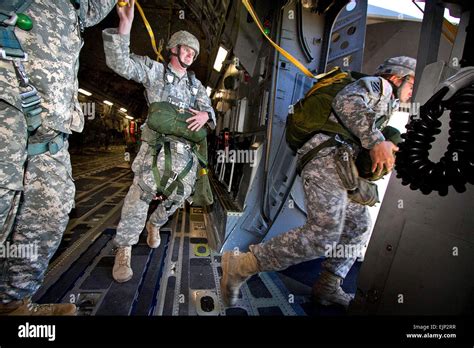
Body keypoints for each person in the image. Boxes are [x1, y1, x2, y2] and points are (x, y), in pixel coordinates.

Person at [220, 56, 416, 308]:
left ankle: (327, 286)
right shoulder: (381, 86)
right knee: (323, 234)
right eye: (412, 83)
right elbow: (346, 100)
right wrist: (376, 141)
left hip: (341, 164)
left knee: (358, 226)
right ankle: (240, 265)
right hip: (328, 157)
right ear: (398, 77)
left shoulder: (386, 101)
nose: (412, 92)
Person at [0, 1, 117, 315]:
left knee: (46, 216)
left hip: (52, 131)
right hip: (7, 107)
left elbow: (93, 8)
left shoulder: (73, 5)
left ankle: (13, 305)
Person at [102, 0, 215, 283]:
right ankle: (124, 249)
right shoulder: (154, 72)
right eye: (185, 50)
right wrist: (124, 30)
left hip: (183, 156)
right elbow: (120, 63)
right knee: (140, 194)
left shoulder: (195, 86)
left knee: (180, 195)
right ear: (174, 50)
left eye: (193, 52)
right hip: (155, 149)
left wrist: (204, 115)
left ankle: (155, 224)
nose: (189, 55)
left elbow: (210, 112)